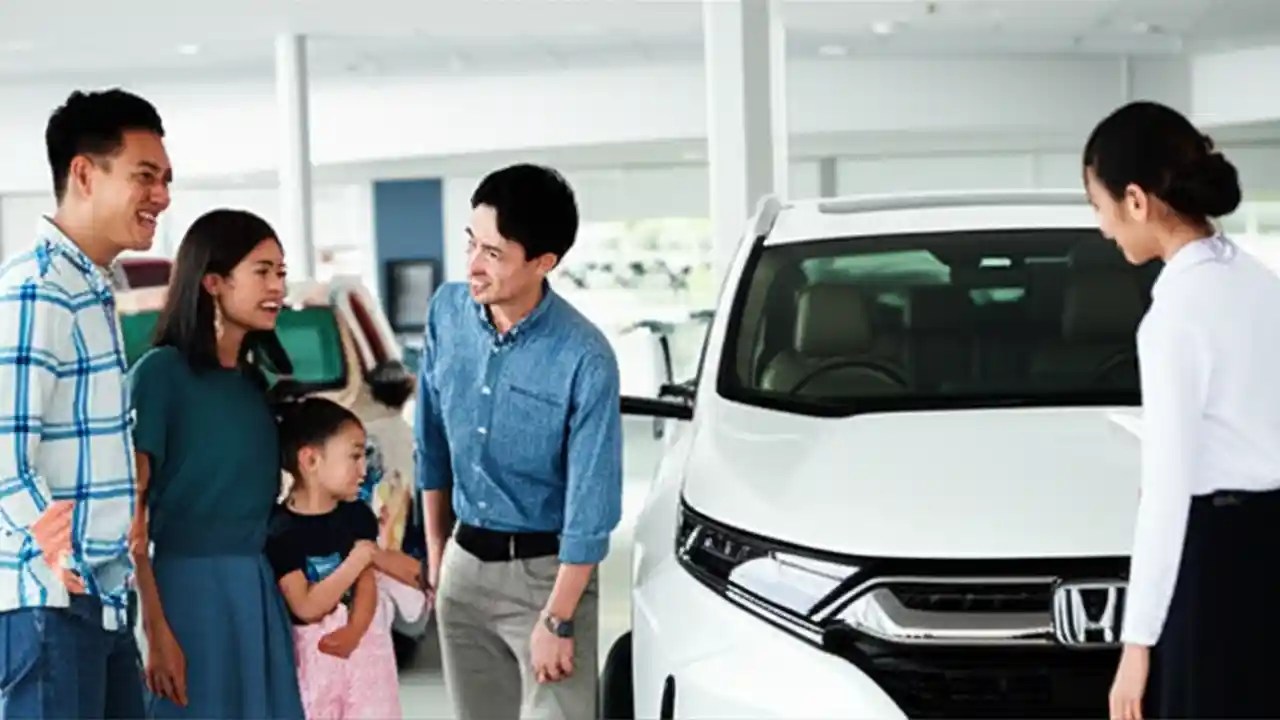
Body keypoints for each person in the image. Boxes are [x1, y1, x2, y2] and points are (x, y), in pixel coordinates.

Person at [1086, 101, 1280, 720]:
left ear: (1136, 200)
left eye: (1099, 206)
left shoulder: (1174, 319)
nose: (1103, 228)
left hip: (1216, 566)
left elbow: (1167, 496)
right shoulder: (1262, 284)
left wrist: (1136, 645)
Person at [417, 163, 624, 719]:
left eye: (494, 253)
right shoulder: (446, 313)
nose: (473, 266)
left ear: (543, 262)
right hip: (463, 567)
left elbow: (591, 507)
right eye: (471, 244)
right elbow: (430, 443)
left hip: (548, 579)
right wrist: (437, 554)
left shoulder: (585, 358)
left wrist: (557, 618)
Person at [0, 88, 170, 718]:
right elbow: (5, 454)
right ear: (83, 174)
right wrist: (63, 559)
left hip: (96, 597)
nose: (162, 196)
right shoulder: (36, 288)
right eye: (145, 176)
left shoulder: (91, 288)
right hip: (49, 601)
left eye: (166, 179)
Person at [129, 209, 305, 718]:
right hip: (185, 599)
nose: (277, 286)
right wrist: (155, 632)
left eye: (281, 272)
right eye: (263, 271)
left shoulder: (254, 385)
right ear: (213, 282)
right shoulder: (160, 375)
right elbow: (131, 521)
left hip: (255, 594)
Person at [266, 397, 425, 720]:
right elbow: (306, 606)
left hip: (363, 657)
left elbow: (367, 584)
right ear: (310, 460)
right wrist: (356, 561)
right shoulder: (281, 531)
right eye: (354, 456)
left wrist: (355, 630)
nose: (363, 469)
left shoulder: (356, 517)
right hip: (312, 664)